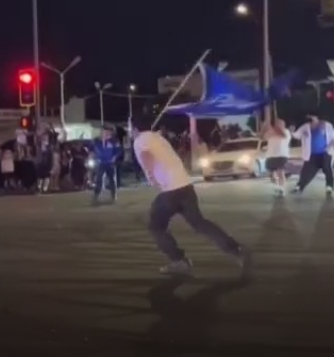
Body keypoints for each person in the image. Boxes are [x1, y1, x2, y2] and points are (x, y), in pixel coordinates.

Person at [132, 116, 248, 276]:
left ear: (134, 127)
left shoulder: (140, 139)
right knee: (200, 223)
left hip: (170, 190)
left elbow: (146, 156)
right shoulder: (158, 138)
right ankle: (236, 250)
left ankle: (179, 261)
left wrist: (151, 176)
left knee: (156, 227)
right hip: (185, 185)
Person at [293, 112, 334, 195]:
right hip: (311, 154)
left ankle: (329, 186)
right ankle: (300, 186)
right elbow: (296, 135)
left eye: (312, 116)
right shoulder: (306, 127)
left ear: (317, 117)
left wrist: (329, 147)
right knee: (306, 171)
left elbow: (333, 137)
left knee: (327, 169)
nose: (310, 118)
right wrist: (292, 130)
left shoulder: (326, 125)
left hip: (324, 153)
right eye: (309, 116)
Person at [260, 117, 291, 196]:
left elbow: (282, 134)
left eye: (280, 123)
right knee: (272, 173)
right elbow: (262, 137)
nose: (278, 125)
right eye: (277, 123)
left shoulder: (286, 132)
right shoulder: (271, 132)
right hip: (271, 155)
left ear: (283, 125)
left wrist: (273, 128)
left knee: (281, 172)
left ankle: (282, 188)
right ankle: (277, 186)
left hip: (282, 155)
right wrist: (264, 127)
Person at [91, 125, 121, 204]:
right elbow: (93, 150)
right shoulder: (97, 141)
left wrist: (114, 158)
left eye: (107, 131)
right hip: (101, 163)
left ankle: (113, 196)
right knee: (99, 179)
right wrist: (93, 156)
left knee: (112, 180)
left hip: (110, 163)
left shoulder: (114, 141)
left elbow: (118, 151)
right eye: (104, 131)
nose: (105, 133)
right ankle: (96, 195)